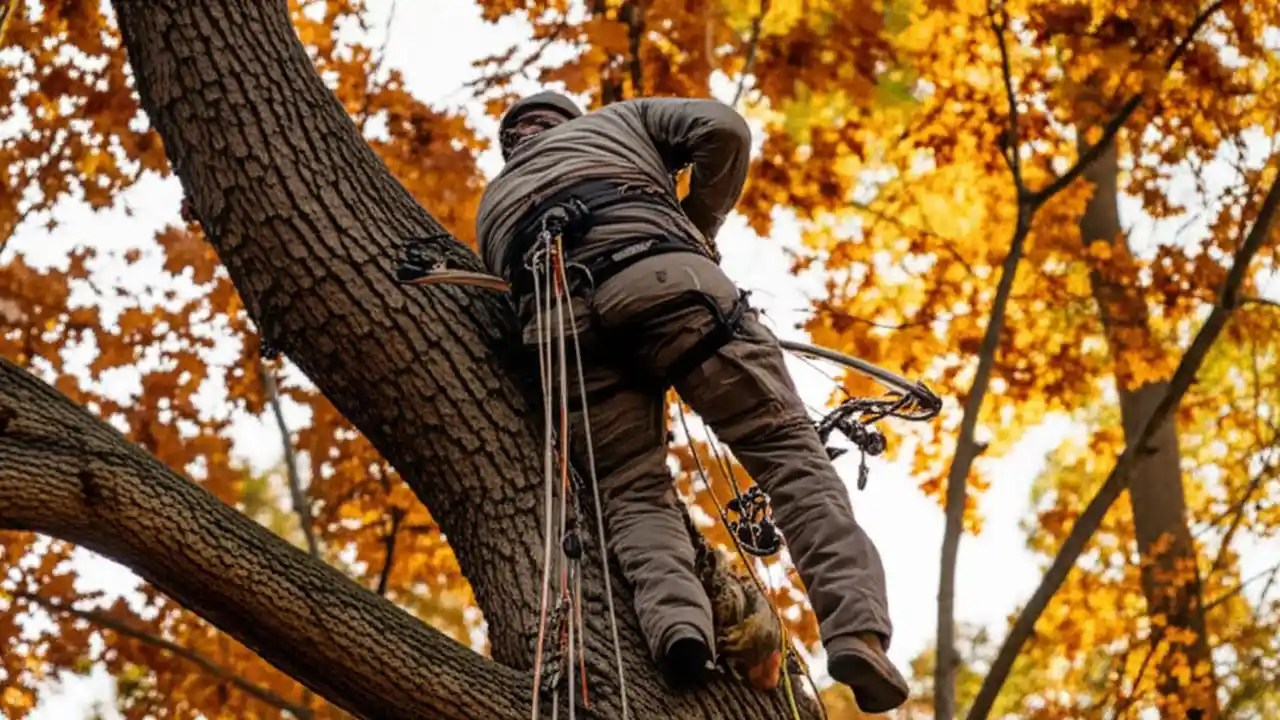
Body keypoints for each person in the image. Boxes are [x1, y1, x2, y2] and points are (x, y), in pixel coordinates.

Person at [474, 90, 909, 713]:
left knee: (628, 488)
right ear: (570, 121)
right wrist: (698, 227)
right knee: (788, 454)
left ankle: (679, 629)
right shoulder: (618, 122)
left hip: (563, 336)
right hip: (669, 283)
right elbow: (724, 129)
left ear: (512, 146)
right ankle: (856, 631)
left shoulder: (492, 207)